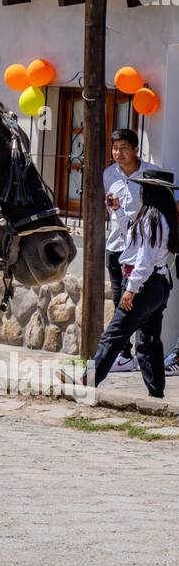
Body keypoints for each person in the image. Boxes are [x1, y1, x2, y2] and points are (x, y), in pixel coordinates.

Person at [86, 168, 179, 400]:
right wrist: (117, 210)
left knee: (115, 334)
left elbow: (143, 260)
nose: (141, 192)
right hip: (158, 285)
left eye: (144, 188)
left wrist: (131, 290)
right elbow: (133, 238)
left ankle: (86, 380)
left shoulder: (152, 219)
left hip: (144, 285)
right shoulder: (161, 218)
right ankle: (156, 393)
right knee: (148, 340)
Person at [103, 128, 152, 373]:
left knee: (135, 301)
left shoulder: (150, 174)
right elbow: (112, 211)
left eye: (123, 148)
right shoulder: (108, 174)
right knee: (117, 298)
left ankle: (137, 355)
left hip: (140, 251)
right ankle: (123, 354)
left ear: (135, 150)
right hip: (115, 246)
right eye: (115, 148)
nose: (118, 153)